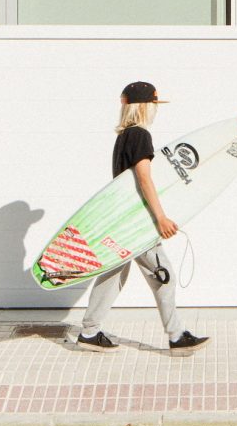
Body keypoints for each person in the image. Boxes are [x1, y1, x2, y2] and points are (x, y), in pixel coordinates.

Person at [74, 81, 211, 354]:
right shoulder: (140, 135)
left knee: (113, 275)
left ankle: (89, 332)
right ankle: (176, 337)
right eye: (153, 105)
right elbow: (144, 178)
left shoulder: (124, 135)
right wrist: (160, 217)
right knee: (164, 275)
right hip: (138, 221)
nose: (155, 110)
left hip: (122, 219)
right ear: (144, 106)